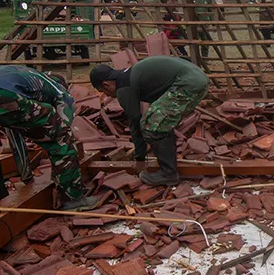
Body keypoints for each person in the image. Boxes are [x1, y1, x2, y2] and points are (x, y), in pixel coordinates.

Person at [0, 64, 100, 211]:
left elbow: (14, 128)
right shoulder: (57, 88)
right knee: (61, 138)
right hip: (0, 94)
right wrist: (59, 173)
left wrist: (27, 175)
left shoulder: (26, 80)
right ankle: (73, 198)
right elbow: (63, 129)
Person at [89, 57, 209, 187]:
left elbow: (134, 121)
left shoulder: (123, 87)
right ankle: (168, 167)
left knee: (153, 125)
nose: (107, 96)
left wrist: (139, 158)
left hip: (188, 83)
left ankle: (168, 174)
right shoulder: (129, 75)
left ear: (106, 84)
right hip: (196, 78)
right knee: (160, 121)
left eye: (104, 91)